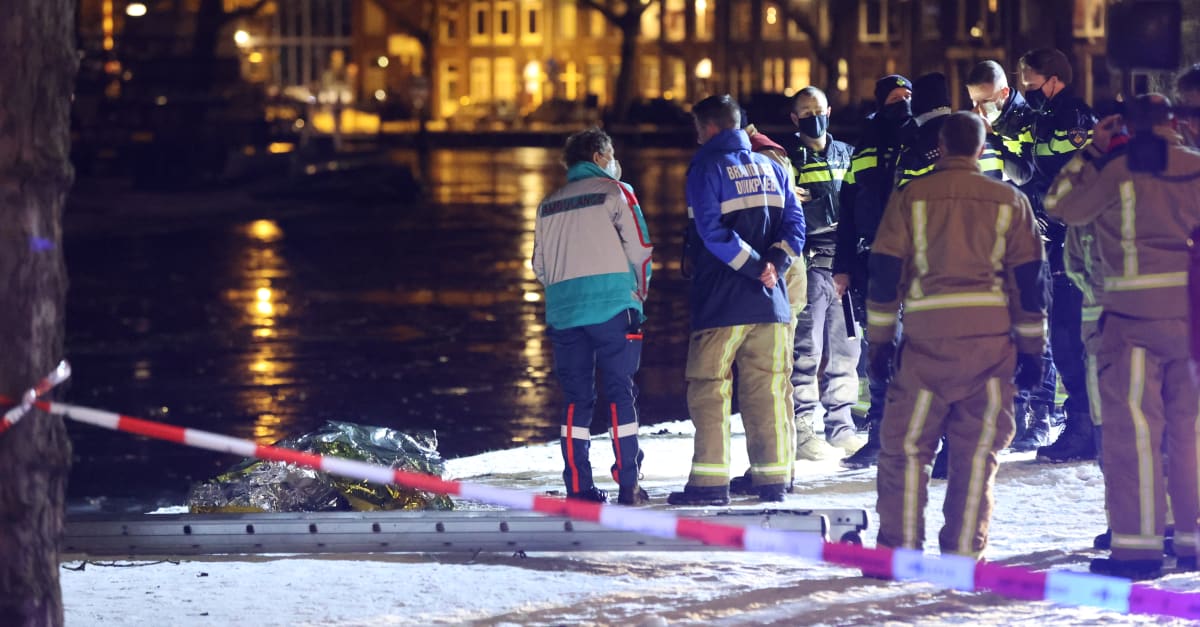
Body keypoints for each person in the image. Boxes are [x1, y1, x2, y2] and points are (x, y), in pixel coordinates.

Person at [868, 112, 1048, 558]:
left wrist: (879, 343)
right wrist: (1032, 352)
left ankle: (899, 552)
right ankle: (965, 557)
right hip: (991, 350)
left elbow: (885, 275)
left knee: (905, 453)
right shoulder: (1009, 201)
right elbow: (1030, 285)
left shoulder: (910, 197)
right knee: (976, 457)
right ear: (982, 149)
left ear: (942, 147)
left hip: (926, 346)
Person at [1044, 94, 1200, 580]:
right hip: (1191, 324)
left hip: (1131, 324)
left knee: (1134, 437)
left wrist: (1091, 150)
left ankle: (1137, 552)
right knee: (1190, 433)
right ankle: (1193, 542)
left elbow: (1059, 205)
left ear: (1126, 126)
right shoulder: (1195, 166)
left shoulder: (1115, 171)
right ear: (1173, 123)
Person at [669, 94, 805, 505]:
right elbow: (796, 223)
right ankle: (774, 481)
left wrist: (752, 267)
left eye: (698, 127)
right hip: (771, 303)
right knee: (769, 390)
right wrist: (775, 265)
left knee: (710, 388)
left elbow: (711, 234)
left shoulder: (706, 167)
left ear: (710, 128)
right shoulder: (772, 166)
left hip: (722, 304)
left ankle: (710, 485)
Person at [531, 127, 653, 506]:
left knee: (575, 400)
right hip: (615, 307)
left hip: (565, 312)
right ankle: (628, 484)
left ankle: (578, 488)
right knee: (621, 395)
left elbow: (539, 266)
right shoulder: (616, 192)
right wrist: (639, 295)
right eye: (611, 152)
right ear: (600, 156)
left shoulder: (548, 204)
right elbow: (641, 250)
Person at [966, 60, 1057, 450]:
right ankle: (1016, 416)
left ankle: (1042, 414)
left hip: (1035, 237)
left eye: (983, 101)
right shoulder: (986, 123)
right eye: (973, 102)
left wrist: (998, 139)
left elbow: (1031, 175)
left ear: (1003, 93)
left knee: (1038, 329)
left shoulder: (1030, 120)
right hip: (997, 242)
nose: (978, 109)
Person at [1017, 48, 1098, 463]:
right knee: (1062, 335)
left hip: (1074, 241)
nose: (1024, 89)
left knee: (1070, 338)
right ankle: (1083, 423)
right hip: (1052, 240)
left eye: (1030, 81)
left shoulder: (1075, 118)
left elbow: (1073, 173)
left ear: (1052, 79)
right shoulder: (1042, 117)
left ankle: (1085, 428)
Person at [834, 74, 916, 469]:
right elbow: (847, 210)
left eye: (908, 97)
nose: (903, 103)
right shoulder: (864, 141)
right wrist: (842, 267)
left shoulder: (921, 137)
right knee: (879, 350)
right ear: (881, 101)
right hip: (871, 262)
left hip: (915, 260)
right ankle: (881, 434)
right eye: (896, 97)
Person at [786, 86, 862, 457]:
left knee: (848, 349)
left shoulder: (848, 154)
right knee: (807, 350)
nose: (813, 116)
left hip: (845, 261)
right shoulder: (787, 161)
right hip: (810, 262)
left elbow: (858, 203)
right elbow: (789, 214)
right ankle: (803, 428)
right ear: (794, 119)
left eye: (818, 109)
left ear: (829, 110)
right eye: (805, 111)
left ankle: (841, 426)